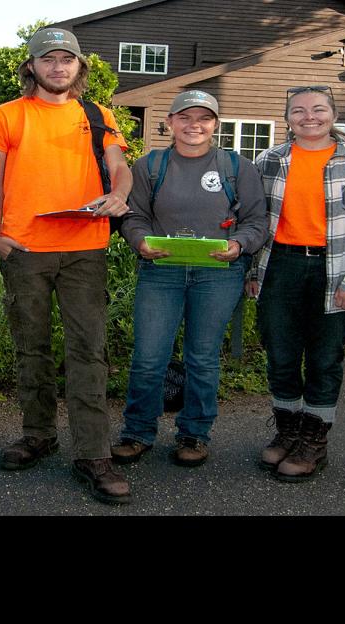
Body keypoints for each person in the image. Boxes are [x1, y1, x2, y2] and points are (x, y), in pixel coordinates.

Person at [0, 26, 134, 504]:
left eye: (67, 59)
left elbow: (120, 166)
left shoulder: (96, 114)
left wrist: (118, 195)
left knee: (89, 351)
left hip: (85, 247)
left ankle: (93, 454)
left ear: (79, 66)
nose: (58, 66)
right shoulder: (4, 116)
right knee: (32, 348)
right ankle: (38, 434)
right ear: (32, 67)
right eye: (48, 59)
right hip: (24, 249)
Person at [111, 90, 268, 469]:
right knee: (149, 357)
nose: (194, 125)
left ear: (215, 124)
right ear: (170, 122)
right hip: (161, 272)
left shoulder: (236, 167)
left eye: (204, 118)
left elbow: (256, 221)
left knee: (202, 358)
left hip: (217, 273)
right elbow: (132, 217)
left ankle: (194, 433)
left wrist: (238, 245)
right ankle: (137, 431)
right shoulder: (150, 165)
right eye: (185, 117)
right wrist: (140, 241)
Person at [247, 85, 345, 482]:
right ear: (287, 117)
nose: (310, 117)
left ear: (333, 114)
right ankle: (287, 430)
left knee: (325, 359)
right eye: (299, 111)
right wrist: (254, 272)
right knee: (282, 356)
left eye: (319, 109)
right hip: (281, 268)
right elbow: (256, 221)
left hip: (335, 268)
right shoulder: (270, 159)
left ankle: (314, 441)